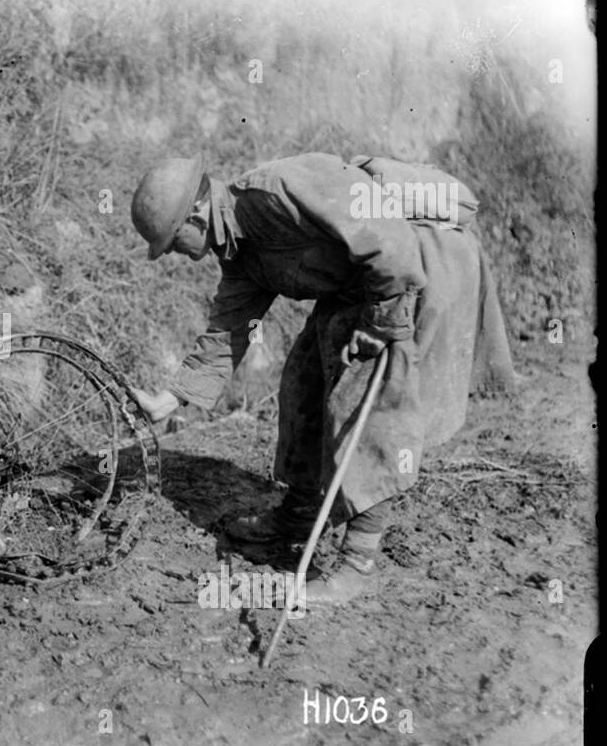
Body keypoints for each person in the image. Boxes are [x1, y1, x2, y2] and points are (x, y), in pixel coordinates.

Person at [129, 152, 516, 604]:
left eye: (173, 242)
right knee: (302, 380)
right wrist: (168, 401)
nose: (178, 254)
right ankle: (299, 512)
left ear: (195, 215)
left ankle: (358, 562)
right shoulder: (240, 253)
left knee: (365, 401)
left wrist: (381, 325)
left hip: (413, 268)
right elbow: (226, 333)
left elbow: (385, 234)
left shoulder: (277, 191)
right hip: (358, 285)